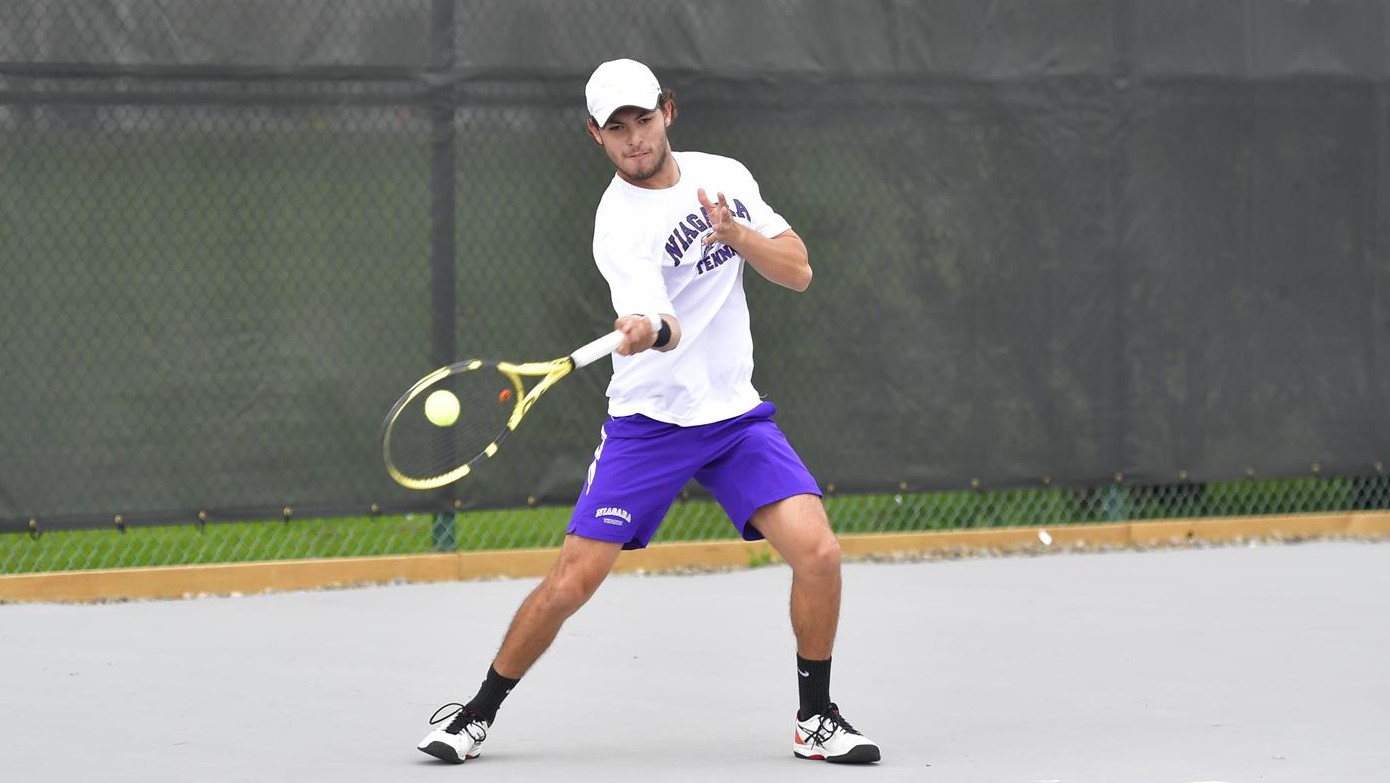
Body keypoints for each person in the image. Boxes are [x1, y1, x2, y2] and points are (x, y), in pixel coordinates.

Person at [416, 57, 880, 766]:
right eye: (616, 128)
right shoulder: (617, 222)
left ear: (668, 111)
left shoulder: (723, 176)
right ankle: (476, 713)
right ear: (595, 136)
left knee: (819, 553)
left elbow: (798, 270)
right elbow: (667, 325)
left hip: (734, 418)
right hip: (650, 425)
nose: (633, 138)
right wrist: (647, 327)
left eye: (642, 119)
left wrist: (737, 235)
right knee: (574, 580)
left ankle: (815, 719)